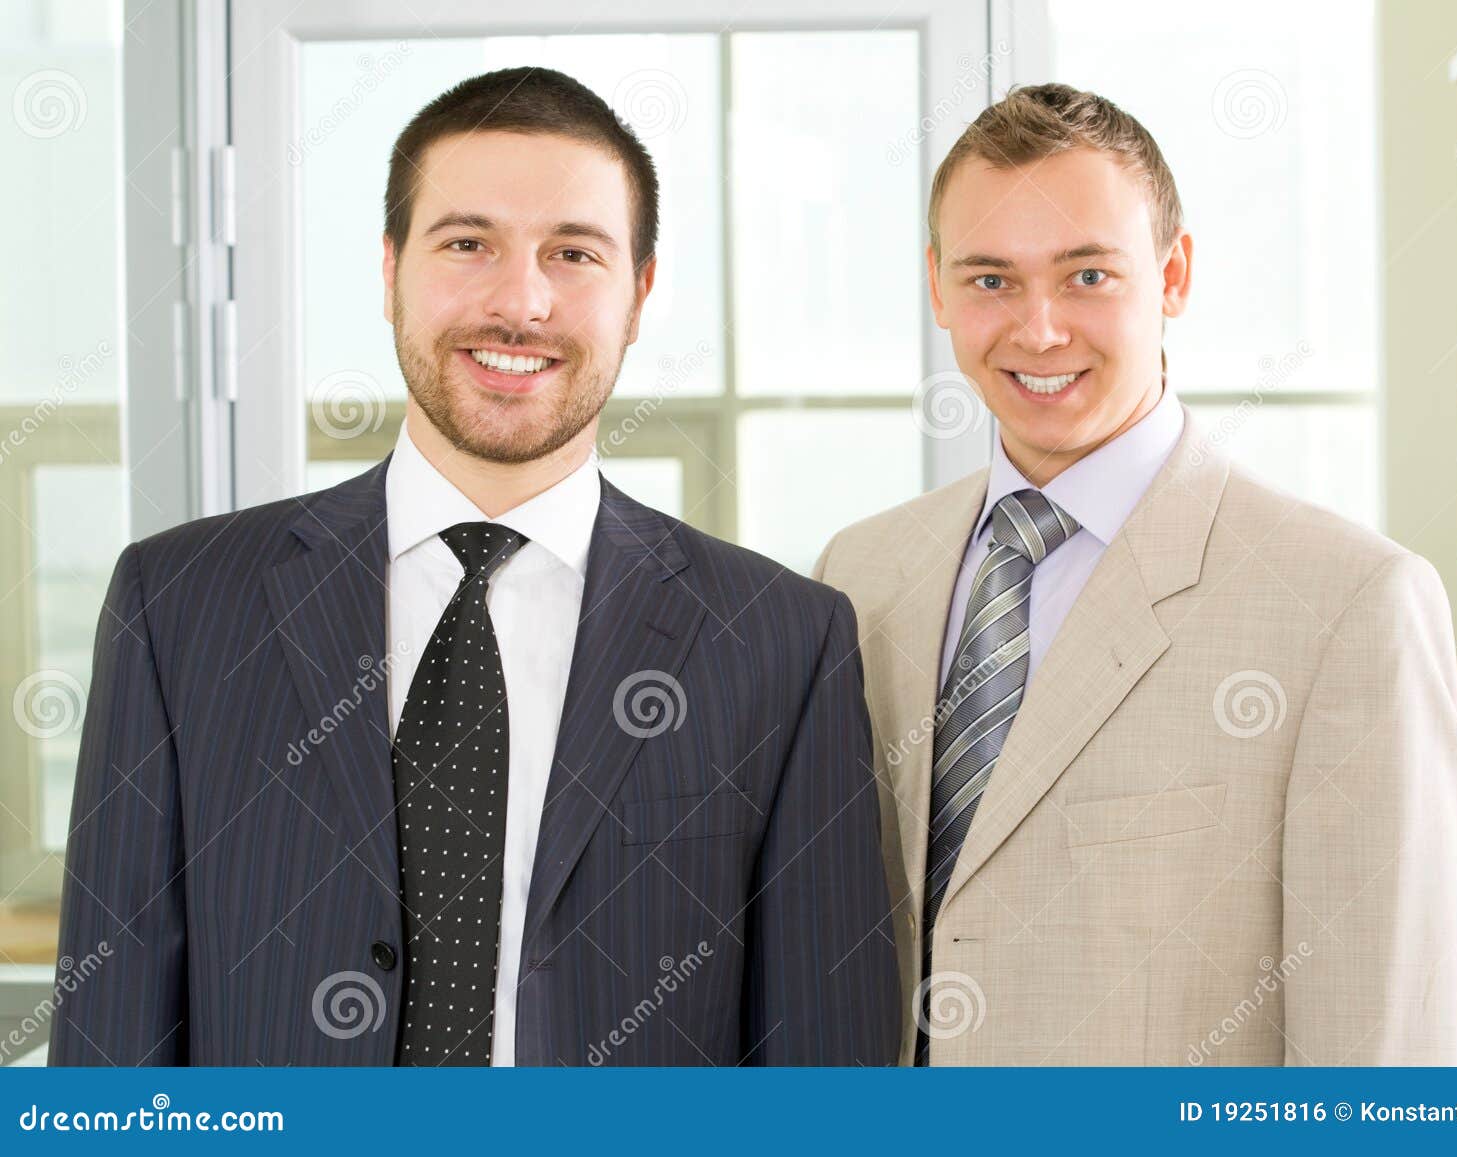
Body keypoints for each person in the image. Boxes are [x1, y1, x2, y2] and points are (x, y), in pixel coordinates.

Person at [51, 67, 897, 1067]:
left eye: (573, 253)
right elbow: (111, 1042)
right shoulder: (179, 605)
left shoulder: (781, 639)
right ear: (389, 267)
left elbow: (825, 1060)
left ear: (639, 294)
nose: (520, 301)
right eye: (467, 243)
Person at [814, 83, 1457, 1066]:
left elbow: (1389, 1061)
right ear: (936, 287)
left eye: (1087, 275)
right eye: (991, 279)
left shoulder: (1346, 606)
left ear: (1172, 275)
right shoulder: (861, 573)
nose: (1038, 330)